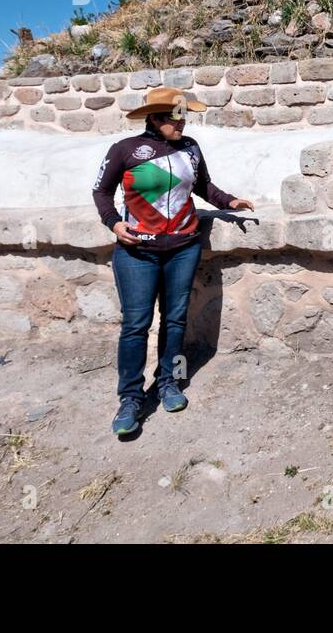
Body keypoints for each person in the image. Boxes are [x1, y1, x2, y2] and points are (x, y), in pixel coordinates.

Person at [91, 87, 253, 436]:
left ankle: (169, 382)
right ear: (154, 118)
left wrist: (230, 202)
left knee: (176, 320)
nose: (180, 123)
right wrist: (114, 223)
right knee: (136, 325)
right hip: (137, 252)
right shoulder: (126, 150)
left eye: (183, 116)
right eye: (172, 116)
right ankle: (131, 398)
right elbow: (101, 191)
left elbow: (204, 187)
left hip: (184, 248)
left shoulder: (191, 148)